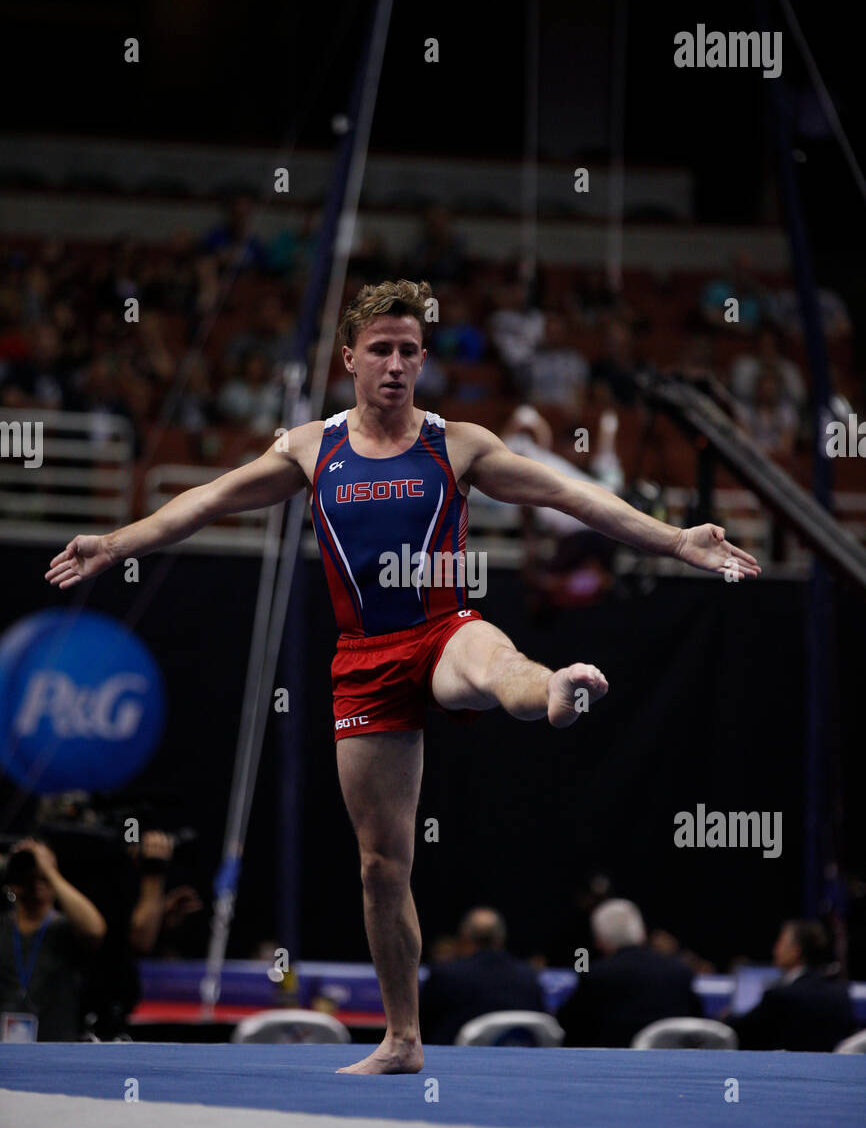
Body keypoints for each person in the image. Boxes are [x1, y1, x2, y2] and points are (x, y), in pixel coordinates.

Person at [45, 278, 760, 1074]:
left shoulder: (459, 445)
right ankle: (404, 1038)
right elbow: (205, 501)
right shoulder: (311, 448)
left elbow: (576, 496)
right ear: (349, 357)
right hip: (365, 663)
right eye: (380, 350)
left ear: (424, 360)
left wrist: (676, 541)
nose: (394, 365)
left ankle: (552, 692)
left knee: (493, 661)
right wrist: (116, 543)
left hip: (441, 628)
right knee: (383, 867)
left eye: (409, 352)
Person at [556, 900, 703, 1047]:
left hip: (611, 1066)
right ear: (642, 933)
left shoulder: (597, 975)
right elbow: (698, 1026)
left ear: (599, 941)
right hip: (672, 1066)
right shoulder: (679, 971)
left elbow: (567, 1028)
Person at [0, 839, 106, 1041]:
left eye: (43, 871)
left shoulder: (66, 928)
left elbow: (95, 930)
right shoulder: (3, 927)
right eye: (32, 868)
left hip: (57, 1048)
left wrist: (48, 870)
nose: (37, 875)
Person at [419, 907, 545, 1043]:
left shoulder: (445, 974)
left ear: (464, 938)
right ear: (500, 938)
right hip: (521, 1060)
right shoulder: (529, 975)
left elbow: (420, 1026)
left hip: (458, 1060)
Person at [730, 921, 856, 1052]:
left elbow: (738, 1030)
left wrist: (727, 1016)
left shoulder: (780, 996)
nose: (775, 948)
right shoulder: (840, 992)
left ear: (796, 951)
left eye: (781, 942)